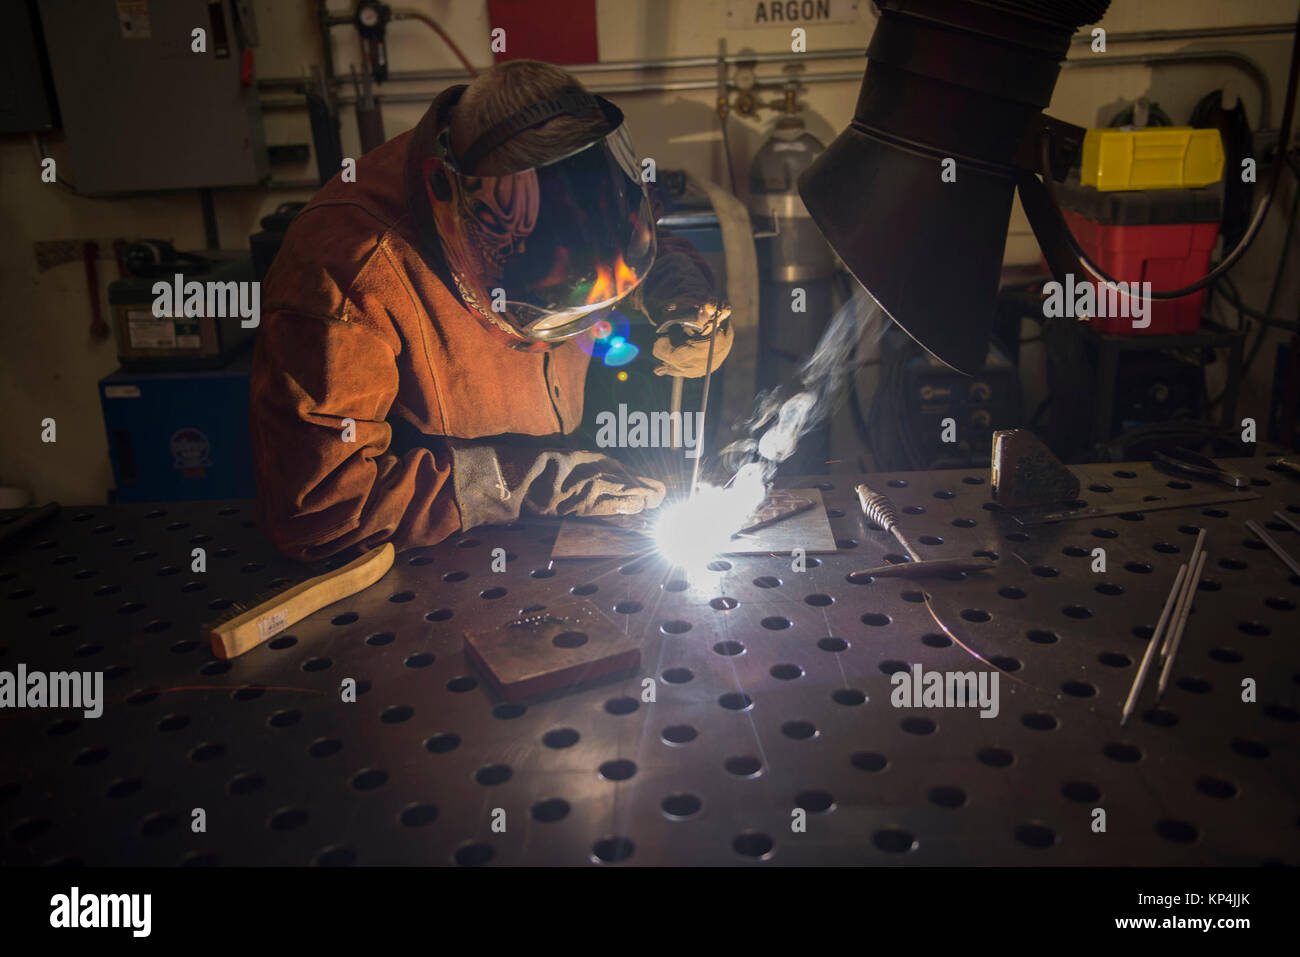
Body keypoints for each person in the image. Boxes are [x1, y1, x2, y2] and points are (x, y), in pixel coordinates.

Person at [250, 60, 732, 560]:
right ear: (449, 208)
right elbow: (320, 513)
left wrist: (681, 295)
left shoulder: (557, 182)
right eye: (548, 297)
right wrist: (521, 482)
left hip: (540, 540)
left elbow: (615, 243)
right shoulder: (346, 272)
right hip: (422, 562)